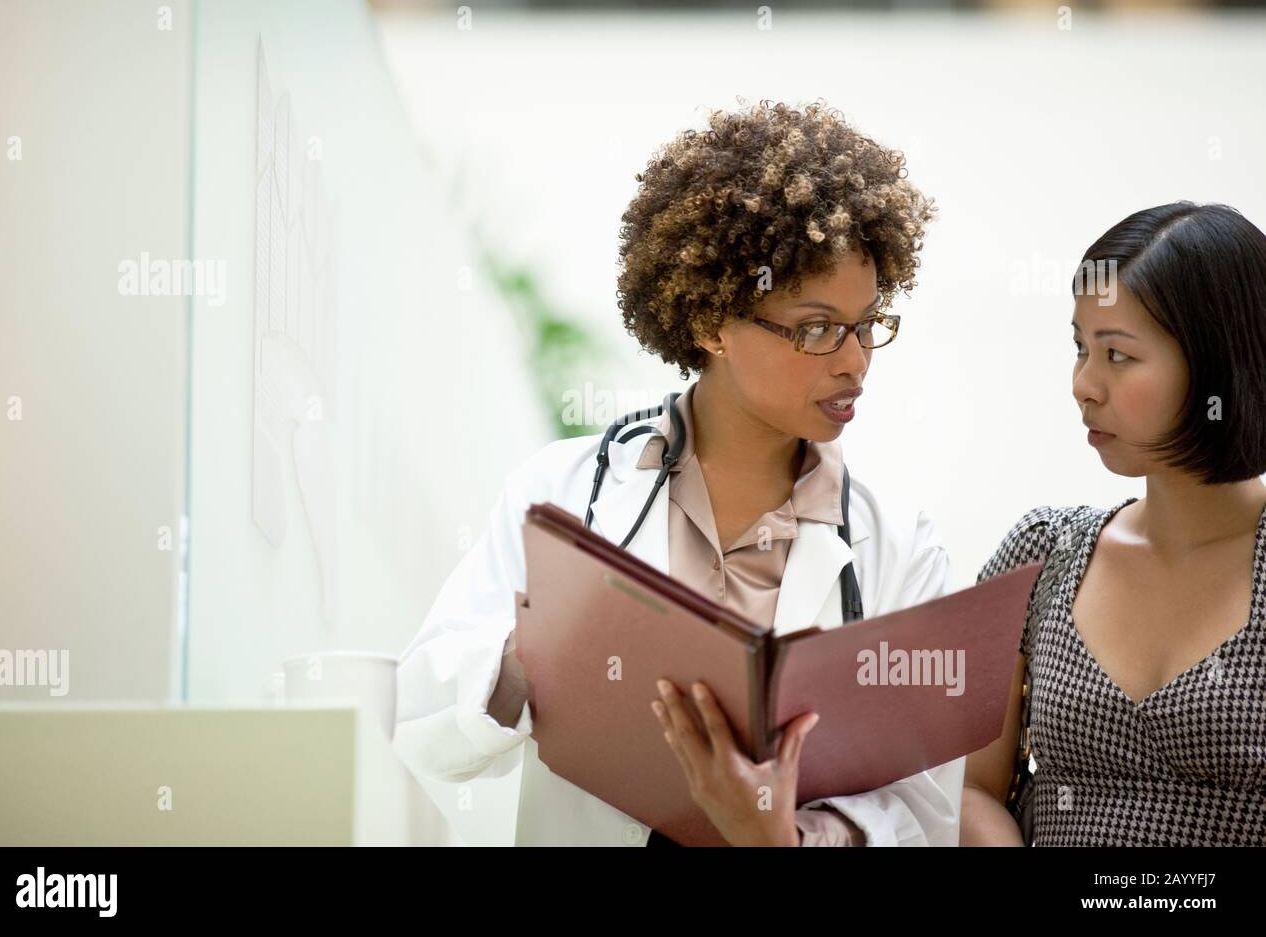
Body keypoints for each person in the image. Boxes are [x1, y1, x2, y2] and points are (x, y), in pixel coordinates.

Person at [395, 98, 964, 846]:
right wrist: (525, 656)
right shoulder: (563, 497)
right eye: (818, 328)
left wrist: (783, 836)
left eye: (868, 325)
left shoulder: (898, 551)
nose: (855, 360)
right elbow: (419, 720)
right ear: (709, 323)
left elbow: (924, 814)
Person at [962, 202, 1266, 846]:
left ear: (1216, 364)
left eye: (1118, 356)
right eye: (1080, 348)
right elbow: (970, 788)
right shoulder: (1041, 551)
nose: (1083, 384)